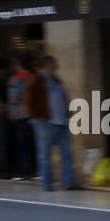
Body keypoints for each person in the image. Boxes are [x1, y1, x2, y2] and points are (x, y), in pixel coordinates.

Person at [24, 56, 77, 191]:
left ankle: (69, 182)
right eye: (54, 63)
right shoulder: (36, 80)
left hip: (61, 122)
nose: (56, 66)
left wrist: (67, 112)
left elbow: (62, 96)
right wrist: (37, 117)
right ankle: (47, 183)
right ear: (46, 65)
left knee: (67, 153)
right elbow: (28, 100)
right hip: (44, 122)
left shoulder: (56, 79)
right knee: (45, 154)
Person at [6, 54, 36, 180]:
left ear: (19, 66)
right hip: (34, 115)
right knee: (33, 143)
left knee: (21, 145)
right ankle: (34, 171)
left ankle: (23, 171)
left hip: (20, 115)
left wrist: (11, 115)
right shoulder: (34, 78)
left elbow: (12, 99)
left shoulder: (14, 80)